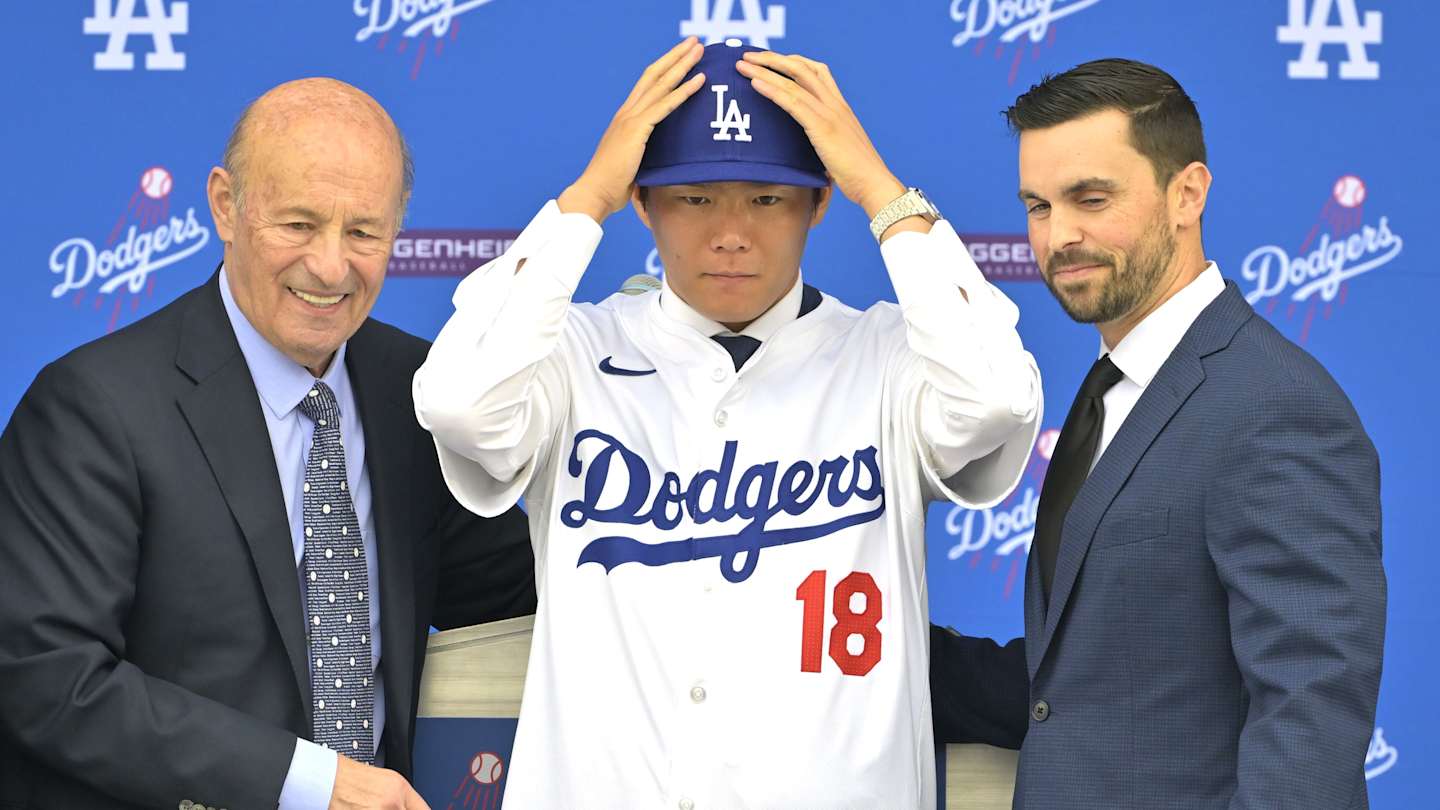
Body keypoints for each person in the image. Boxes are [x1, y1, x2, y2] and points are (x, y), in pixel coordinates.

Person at [414, 37, 1041, 807]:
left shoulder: (888, 357)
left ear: (820, 200)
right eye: (695, 197)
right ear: (642, 202)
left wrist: (884, 192)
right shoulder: (573, 351)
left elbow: (998, 399)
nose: (732, 232)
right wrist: (584, 201)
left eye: (768, 198)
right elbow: (457, 402)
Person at [0, 78, 535, 810]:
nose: (329, 265)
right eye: (299, 224)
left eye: (363, 232)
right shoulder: (95, 406)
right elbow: (44, 676)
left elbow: (531, 599)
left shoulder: (417, 390)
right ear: (226, 205)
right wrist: (314, 786)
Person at [931, 58, 1386, 809]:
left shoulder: (1277, 408)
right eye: (1038, 205)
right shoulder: (1112, 387)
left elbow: (1309, 723)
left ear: (1188, 193)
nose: (1060, 234)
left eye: (1092, 198)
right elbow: (1087, 685)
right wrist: (886, 652)